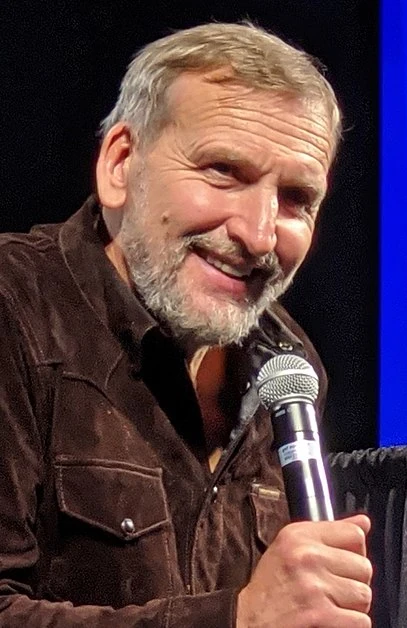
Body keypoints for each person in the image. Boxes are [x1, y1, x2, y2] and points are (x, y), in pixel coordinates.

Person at [0, 22, 372, 627]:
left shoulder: (288, 366)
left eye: (296, 198)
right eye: (223, 170)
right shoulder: (15, 307)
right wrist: (237, 619)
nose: (259, 234)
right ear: (120, 164)